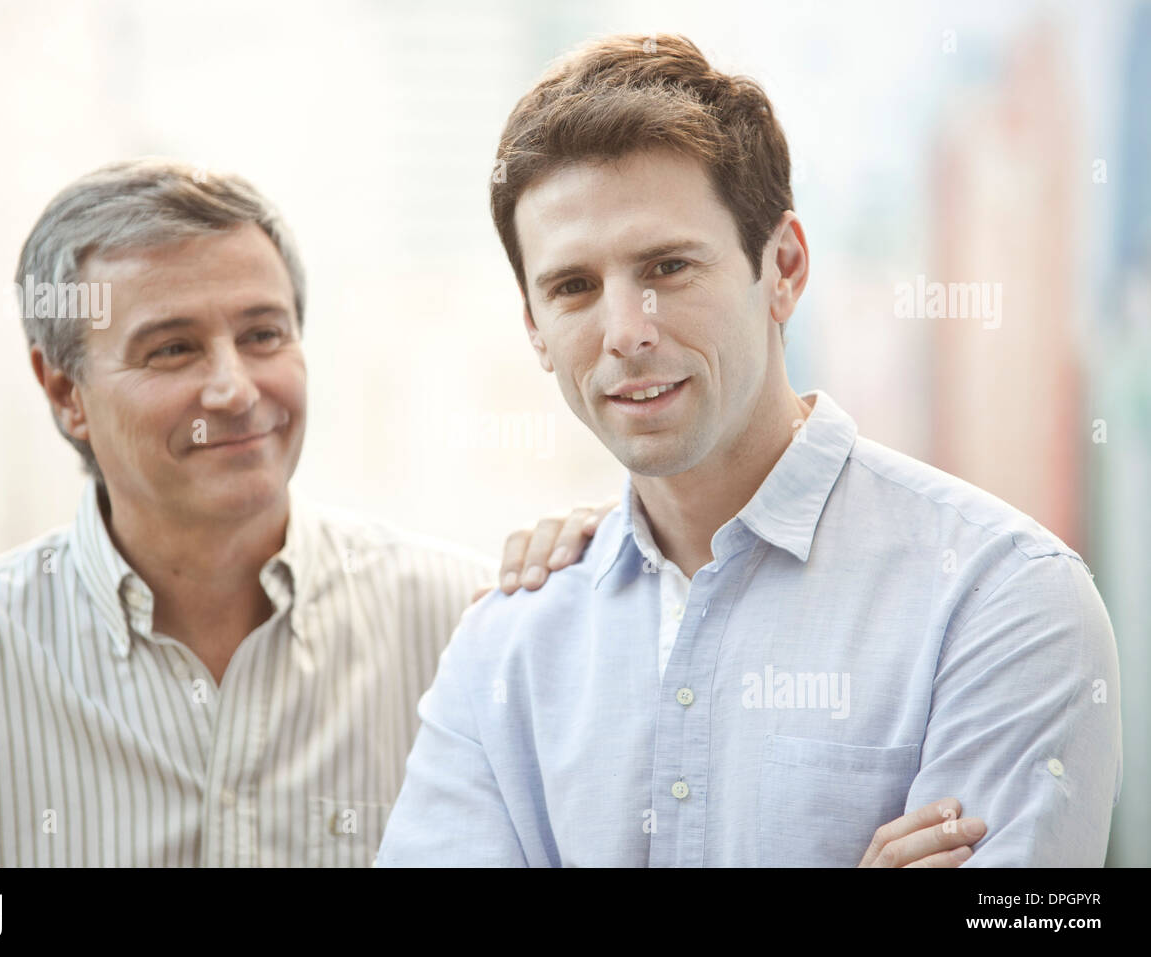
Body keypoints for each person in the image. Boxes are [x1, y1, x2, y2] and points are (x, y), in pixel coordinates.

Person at [376, 34, 1121, 867]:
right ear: (535, 329)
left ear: (786, 267)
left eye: (668, 265)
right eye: (573, 287)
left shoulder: (1000, 602)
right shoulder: (505, 644)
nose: (626, 332)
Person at [0, 158, 604, 867]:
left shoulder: (462, 625)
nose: (235, 389)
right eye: (173, 349)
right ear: (65, 393)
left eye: (263, 335)